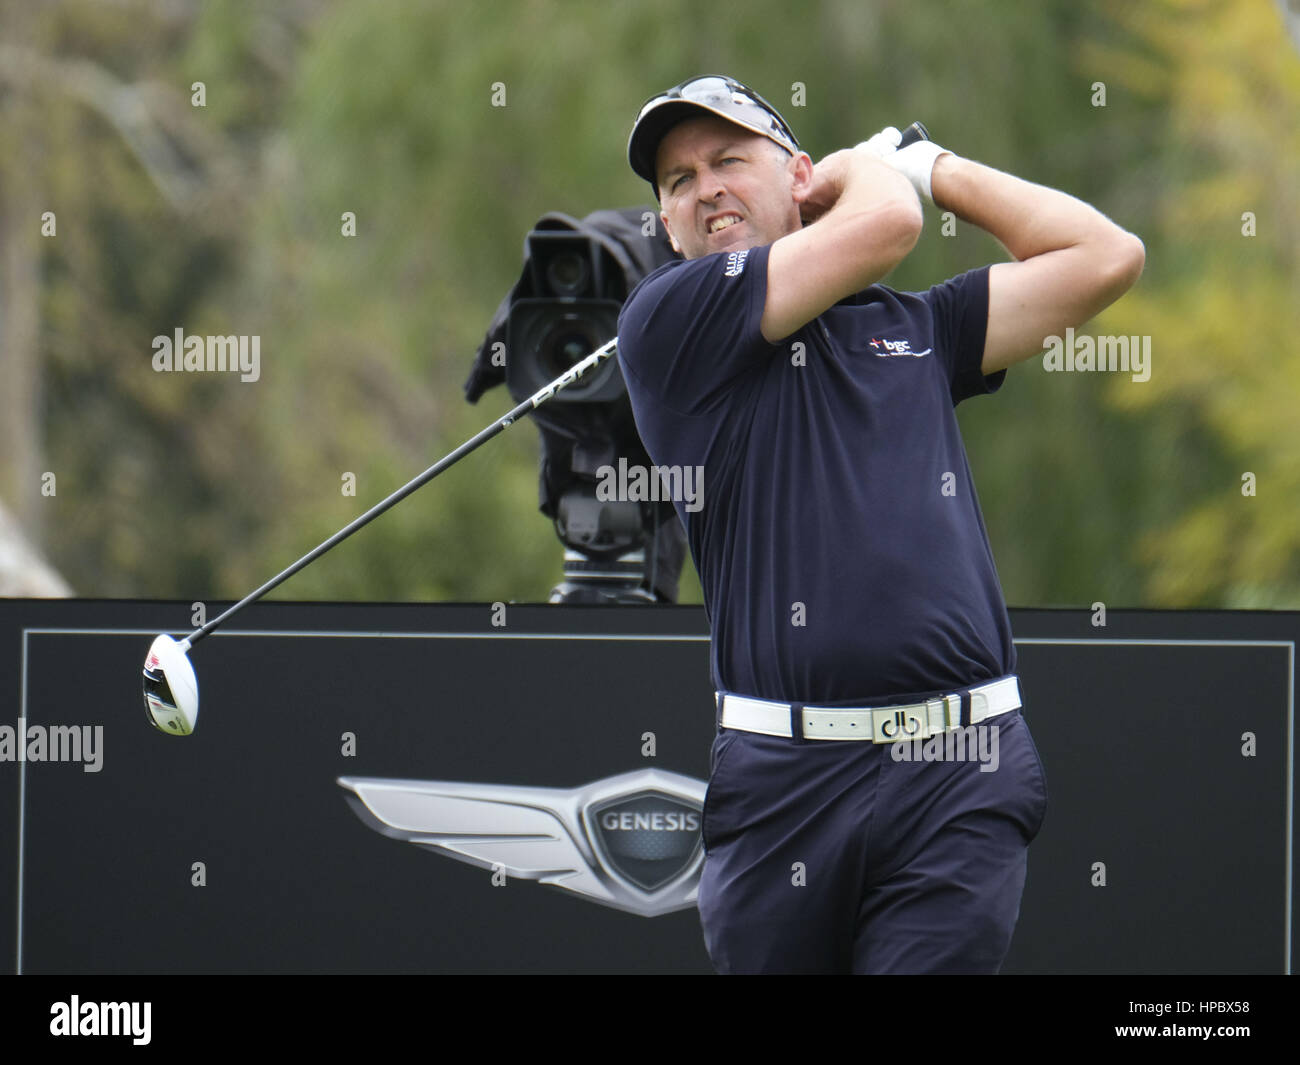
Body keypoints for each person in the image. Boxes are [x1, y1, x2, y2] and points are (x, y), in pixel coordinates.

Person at [615, 75, 1144, 974]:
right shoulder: (667, 326)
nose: (705, 188)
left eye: (730, 160)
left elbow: (1105, 255)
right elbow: (888, 228)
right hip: (784, 784)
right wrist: (877, 176)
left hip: (958, 772)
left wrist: (934, 167)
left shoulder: (918, 329)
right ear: (666, 223)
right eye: (678, 180)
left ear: (799, 178)